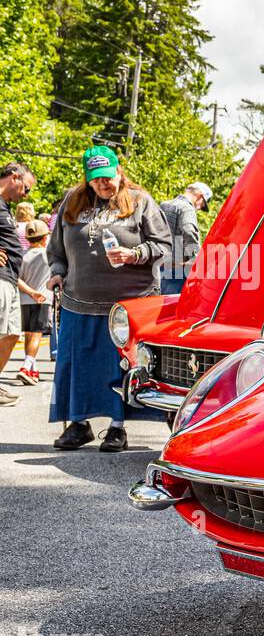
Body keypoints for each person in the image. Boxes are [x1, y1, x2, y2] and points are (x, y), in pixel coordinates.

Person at [46, 146, 171, 452]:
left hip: (128, 305)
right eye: (96, 179)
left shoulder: (141, 202)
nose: (104, 184)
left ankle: (117, 429)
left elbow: (164, 244)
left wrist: (135, 253)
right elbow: (57, 249)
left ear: (119, 171)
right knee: (77, 364)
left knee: (120, 367)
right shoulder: (72, 203)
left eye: (108, 176)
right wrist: (57, 272)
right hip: (78, 301)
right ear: (88, 180)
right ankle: (79, 425)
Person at [0, 162, 35, 408]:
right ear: (14, 177)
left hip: (11, 277)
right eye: (26, 187)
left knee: (11, 334)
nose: (26, 194)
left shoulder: (5, 207)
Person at [157, 182, 213, 294]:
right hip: (177, 270)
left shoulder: (163, 205)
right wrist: (196, 259)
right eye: (203, 205)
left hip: (159, 266)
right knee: (172, 306)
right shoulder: (187, 208)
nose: (200, 208)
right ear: (200, 196)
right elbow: (189, 230)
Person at [15, 220, 52, 385]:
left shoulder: (22, 255)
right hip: (42, 299)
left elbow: (16, 279)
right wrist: (36, 293)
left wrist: (29, 292)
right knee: (36, 335)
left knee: (29, 335)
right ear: (44, 238)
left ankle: (32, 370)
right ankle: (25, 366)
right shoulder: (48, 255)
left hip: (23, 300)